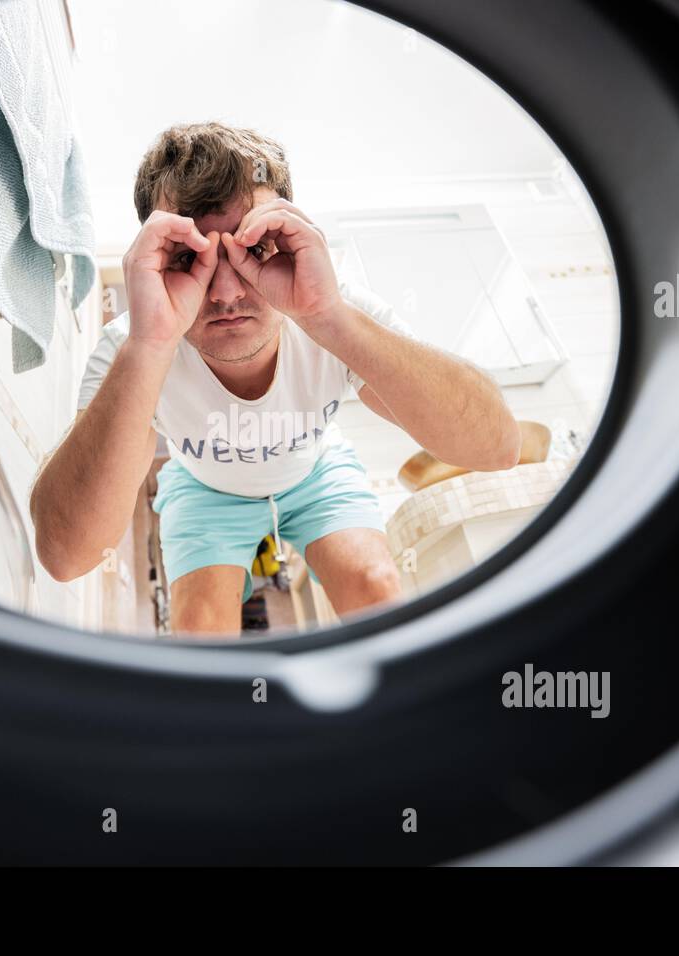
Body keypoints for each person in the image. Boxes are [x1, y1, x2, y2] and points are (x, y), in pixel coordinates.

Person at [30, 122, 520, 636]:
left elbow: (498, 448)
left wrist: (327, 316)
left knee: (374, 585)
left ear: (287, 240)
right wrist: (150, 345)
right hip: (204, 485)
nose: (225, 293)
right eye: (188, 258)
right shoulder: (131, 346)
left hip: (315, 469)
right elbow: (67, 557)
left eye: (254, 250)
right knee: (200, 631)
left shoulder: (336, 309)